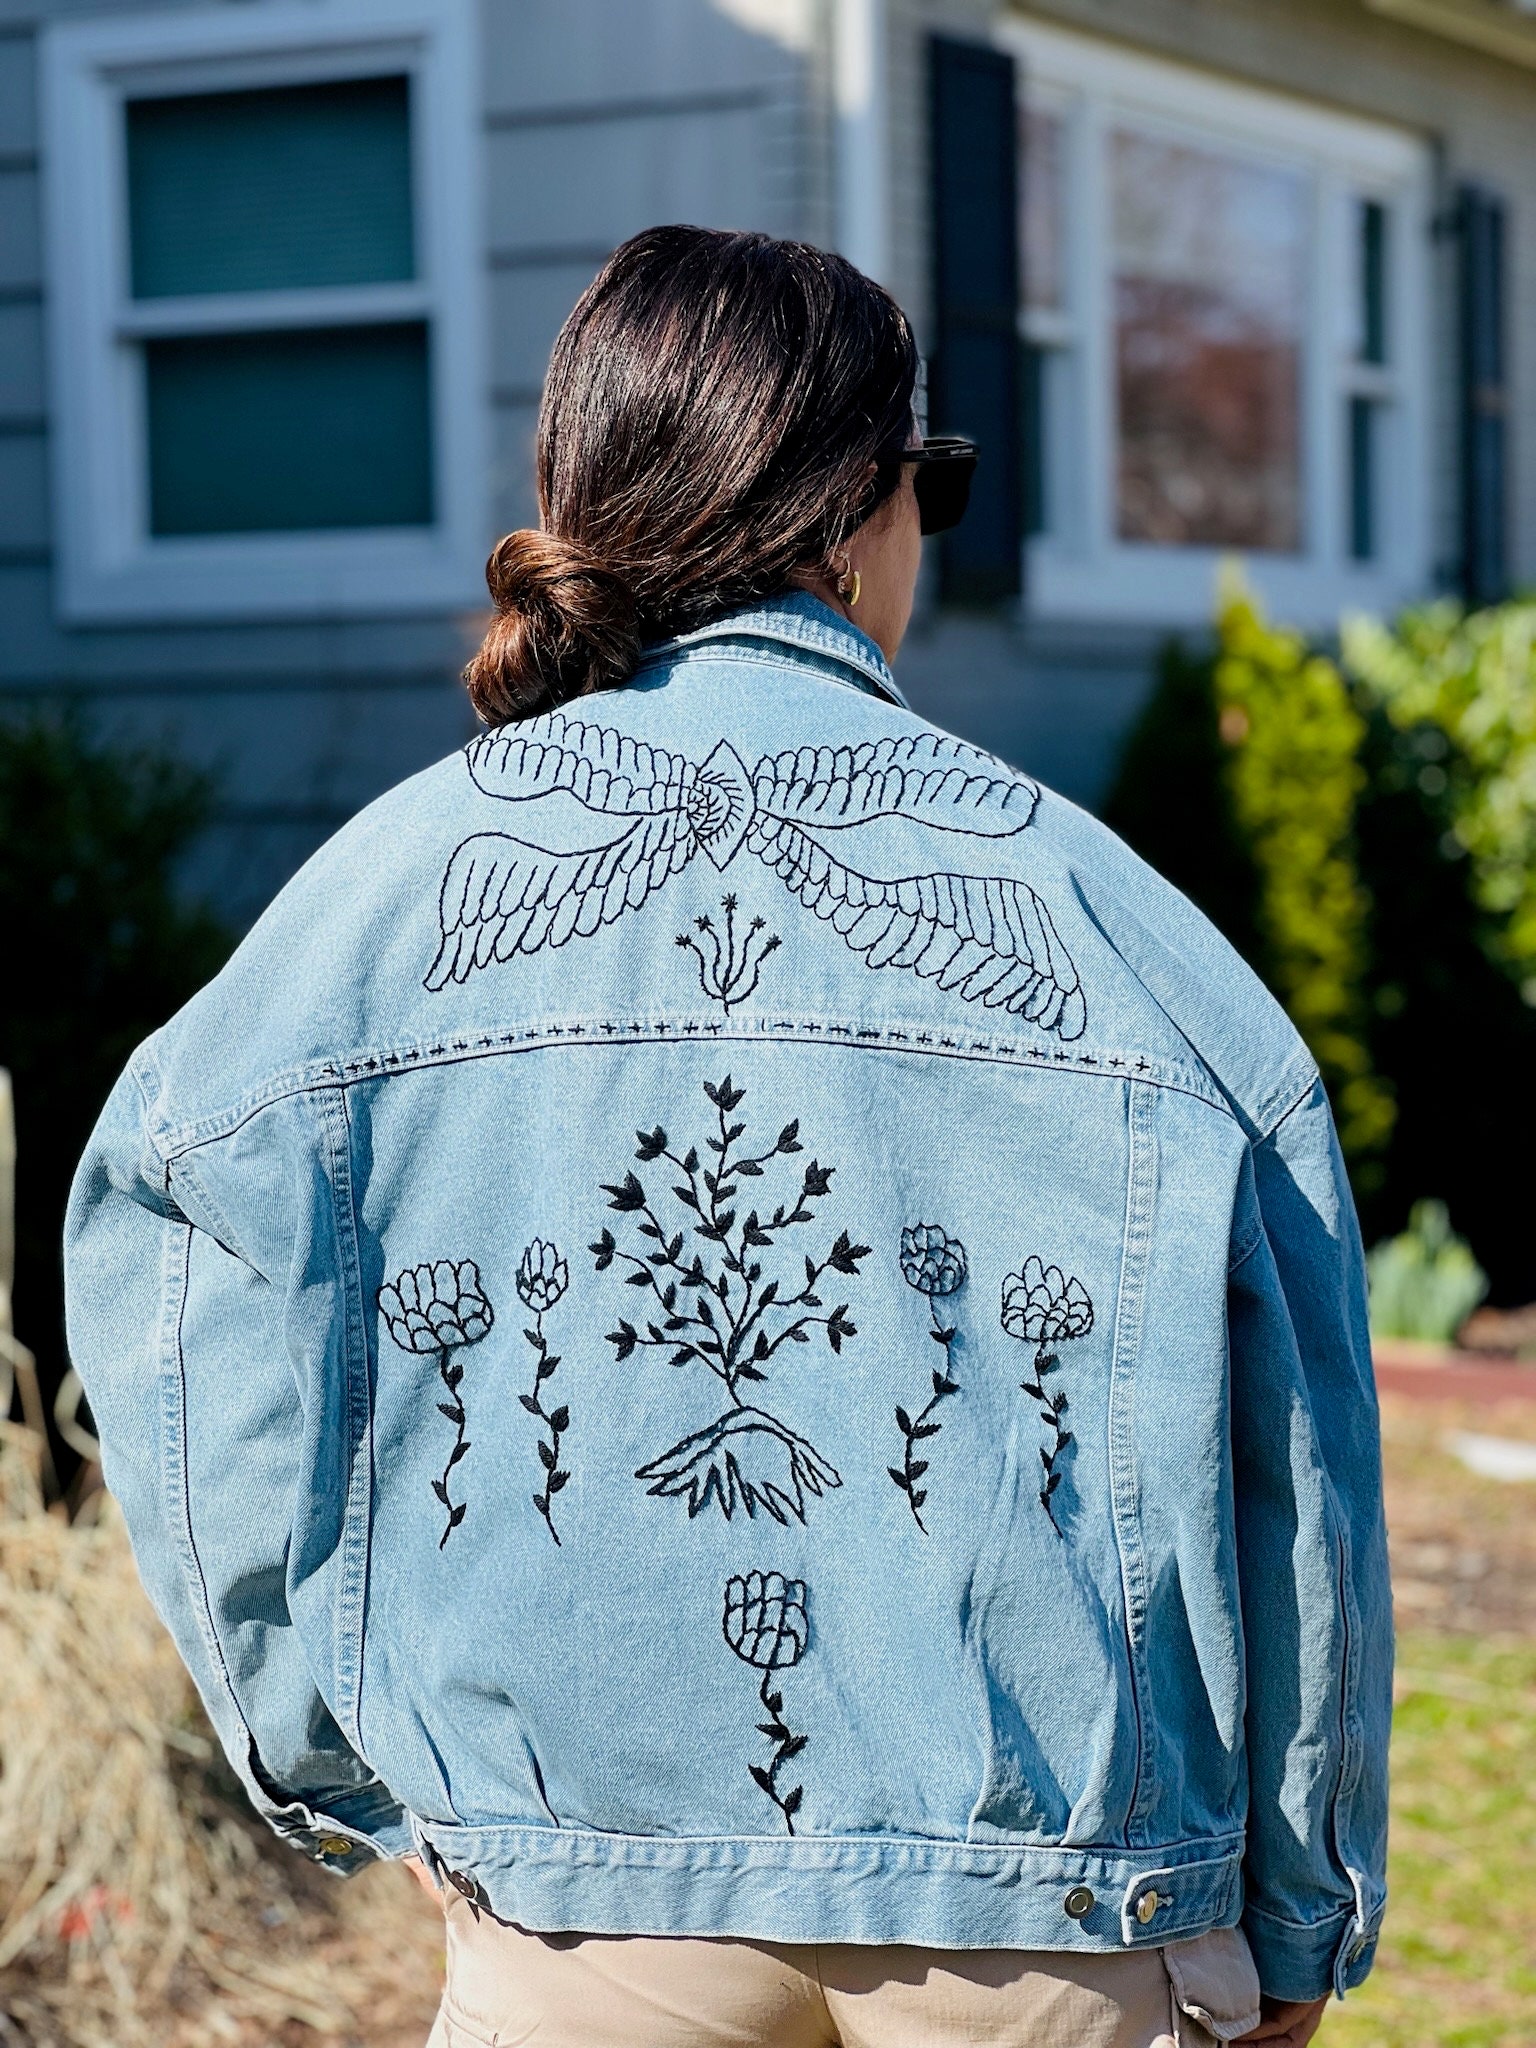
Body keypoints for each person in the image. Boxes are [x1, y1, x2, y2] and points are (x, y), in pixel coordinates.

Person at [65, 226, 1390, 2048]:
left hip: (575, 1917)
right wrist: (1301, 1911)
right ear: (856, 511)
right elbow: (1299, 1461)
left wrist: (340, 1752)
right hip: (1051, 1919)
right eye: (934, 482)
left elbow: (163, 1272)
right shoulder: (1116, 930)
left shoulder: (363, 913)